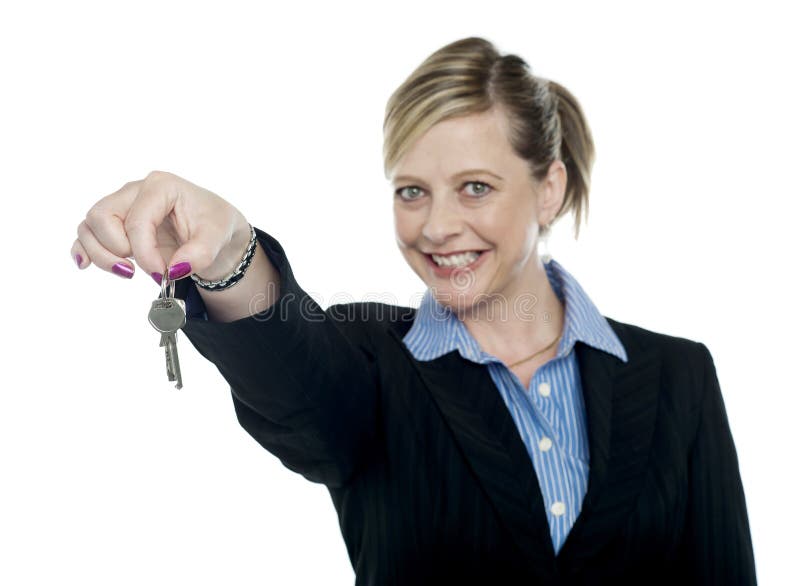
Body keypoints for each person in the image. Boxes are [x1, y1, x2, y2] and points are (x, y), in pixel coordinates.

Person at [71, 36, 756, 585]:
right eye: (413, 192)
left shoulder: (678, 375)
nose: (436, 227)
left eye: (475, 187)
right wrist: (229, 252)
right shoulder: (371, 361)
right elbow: (297, 383)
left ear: (549, 190)